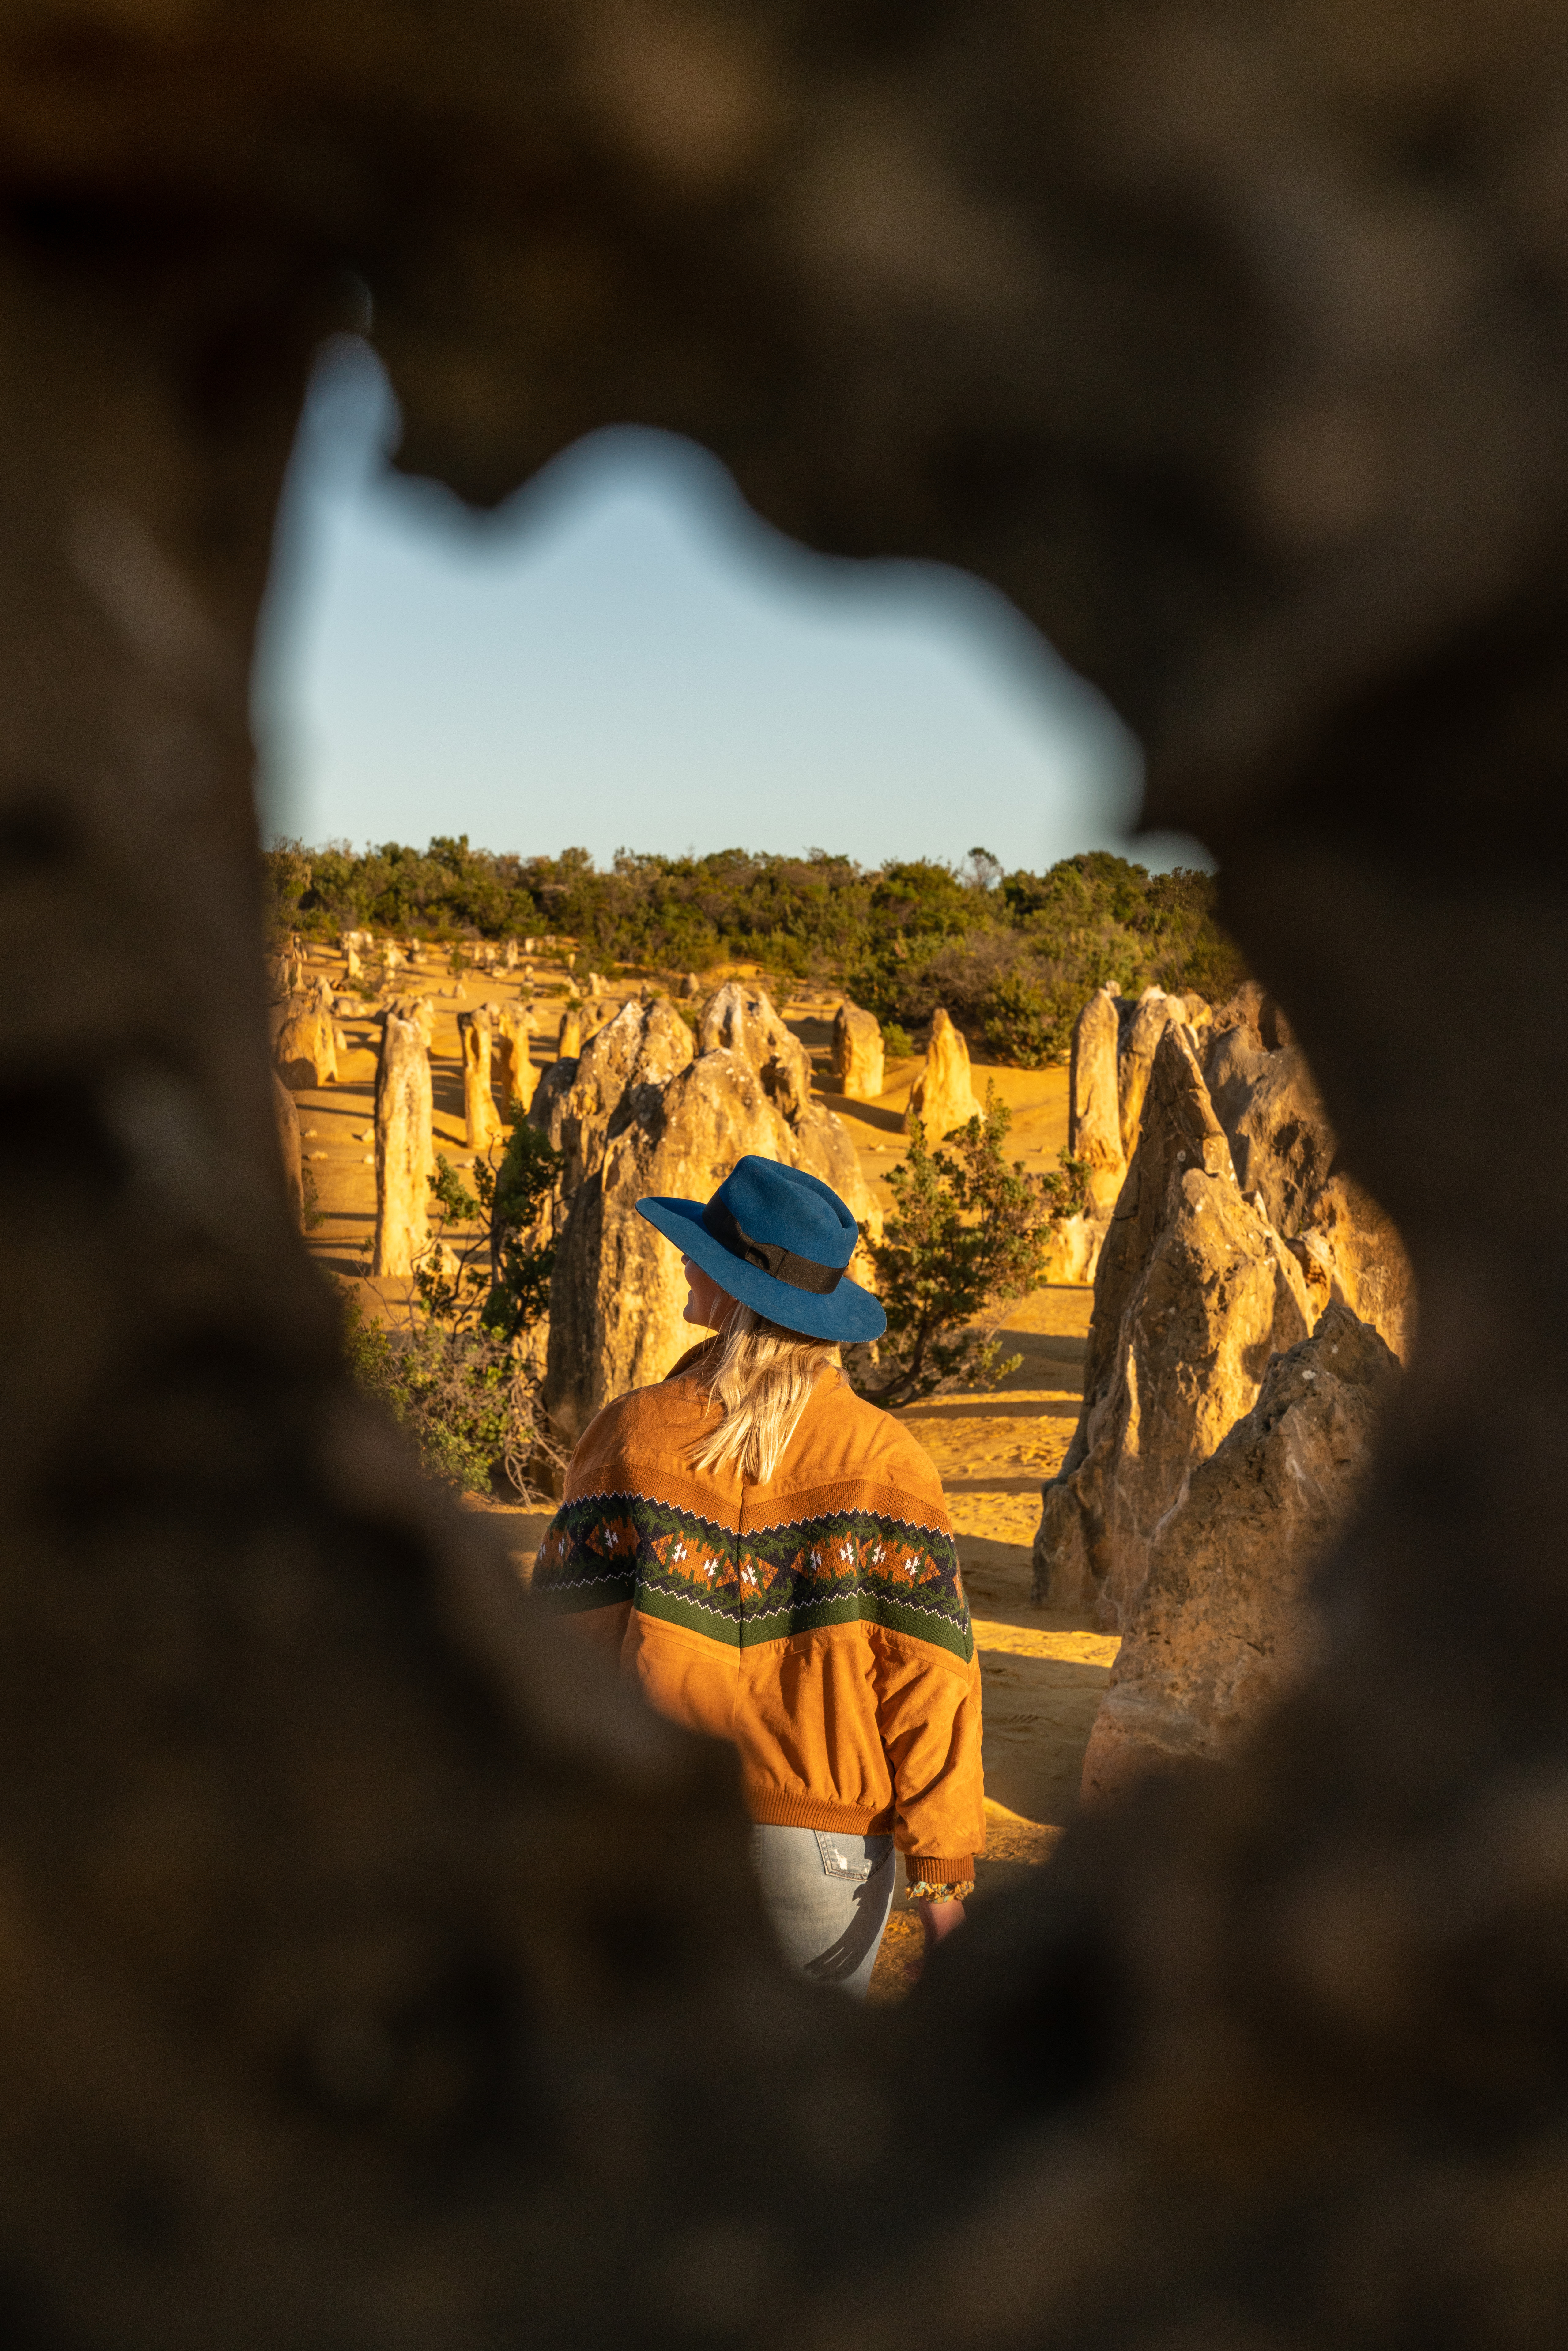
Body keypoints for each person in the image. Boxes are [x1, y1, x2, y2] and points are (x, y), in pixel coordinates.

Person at [532, 1153, 982, 1996]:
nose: (684, 1260)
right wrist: (941, 1880)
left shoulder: (633, 1434)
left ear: (738, 1288)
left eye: (702, 1252)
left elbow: (563, 1649)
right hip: (831, 1856)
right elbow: (930, 1679)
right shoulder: (887, 1460)